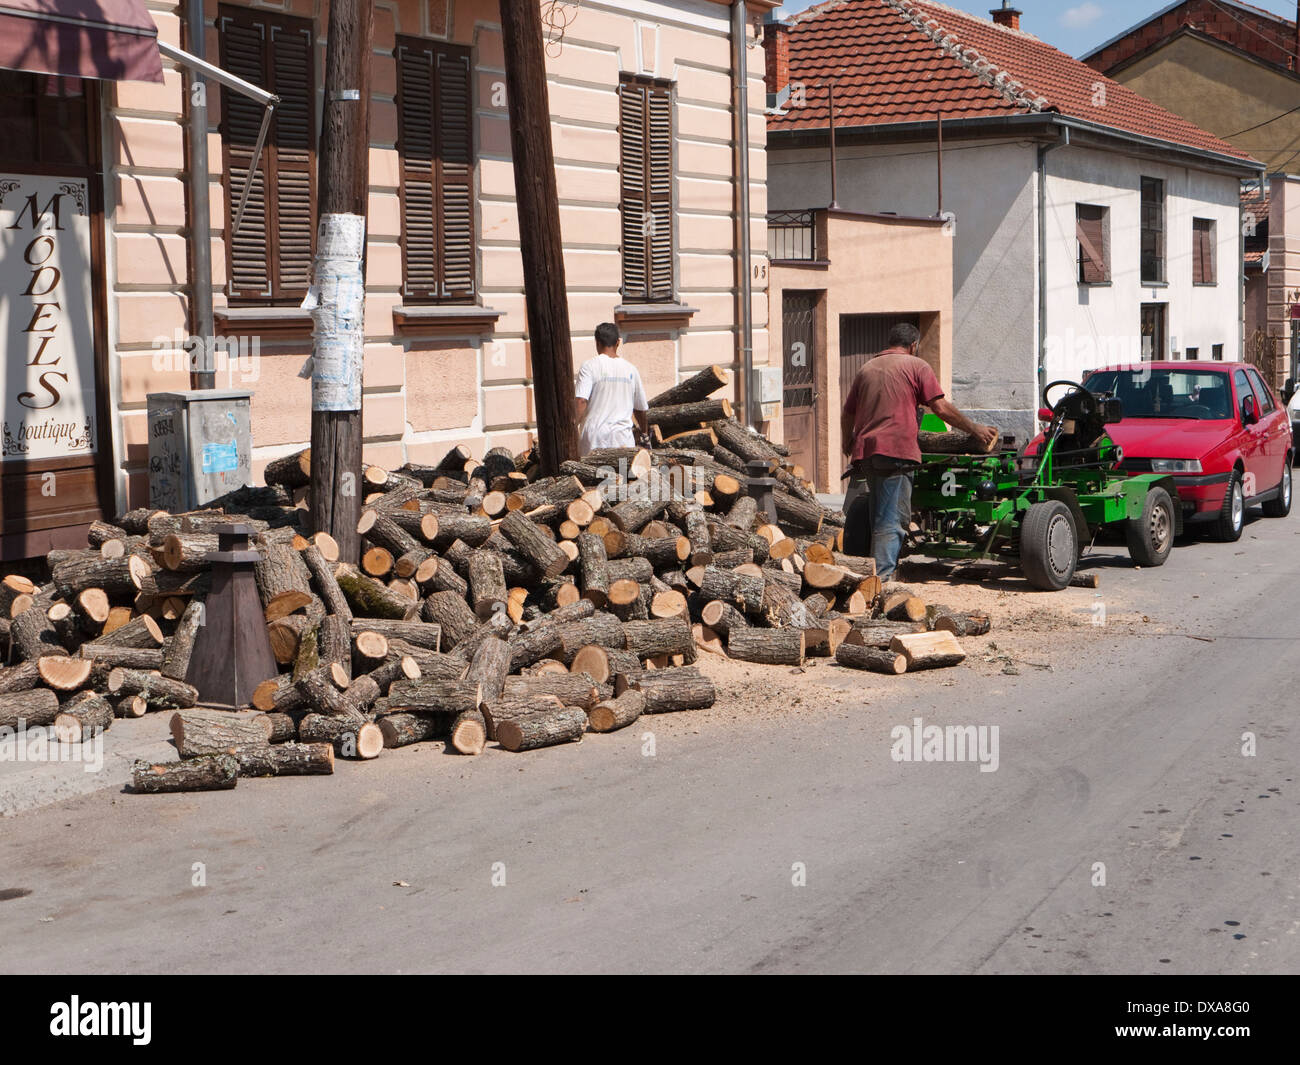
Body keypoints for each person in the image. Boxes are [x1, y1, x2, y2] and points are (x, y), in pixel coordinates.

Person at [841, 323, 997, 580]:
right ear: (914, 345)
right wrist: (974, 429)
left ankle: (869, 576)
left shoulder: (866, 368)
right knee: (891, 521)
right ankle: (882, 581)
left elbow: (848, 413)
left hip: (867, 452)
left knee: (878, 514)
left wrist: (848, 441)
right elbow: (940, 408)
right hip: (896, 452)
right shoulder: (917, 366)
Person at [575, 322, 650, 453]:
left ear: (597, 343)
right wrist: (644, 433)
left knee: (593, 473)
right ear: (618, 343)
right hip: (623, 440)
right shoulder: (631, 369)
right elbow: (640, 409)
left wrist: (572, 427)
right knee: (622, 472)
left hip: (594, 440)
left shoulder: (589, 366)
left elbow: (581, 401)